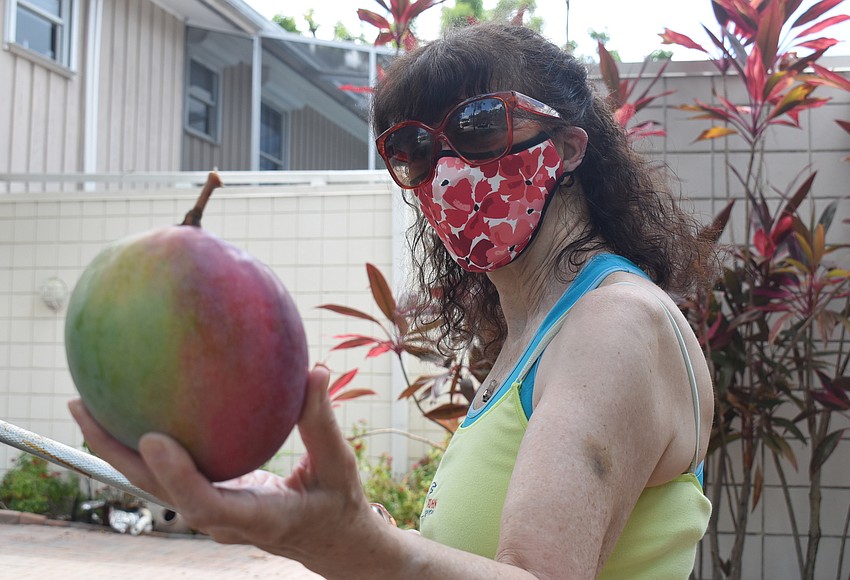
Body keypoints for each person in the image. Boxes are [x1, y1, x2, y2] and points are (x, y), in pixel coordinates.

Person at [70, 23, 715, 579]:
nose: (447, 169)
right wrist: (339, 533)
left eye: (480, 125)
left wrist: (352, 542)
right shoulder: (537, 335)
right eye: (414, 150)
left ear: (570, 147)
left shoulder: (614, 322)